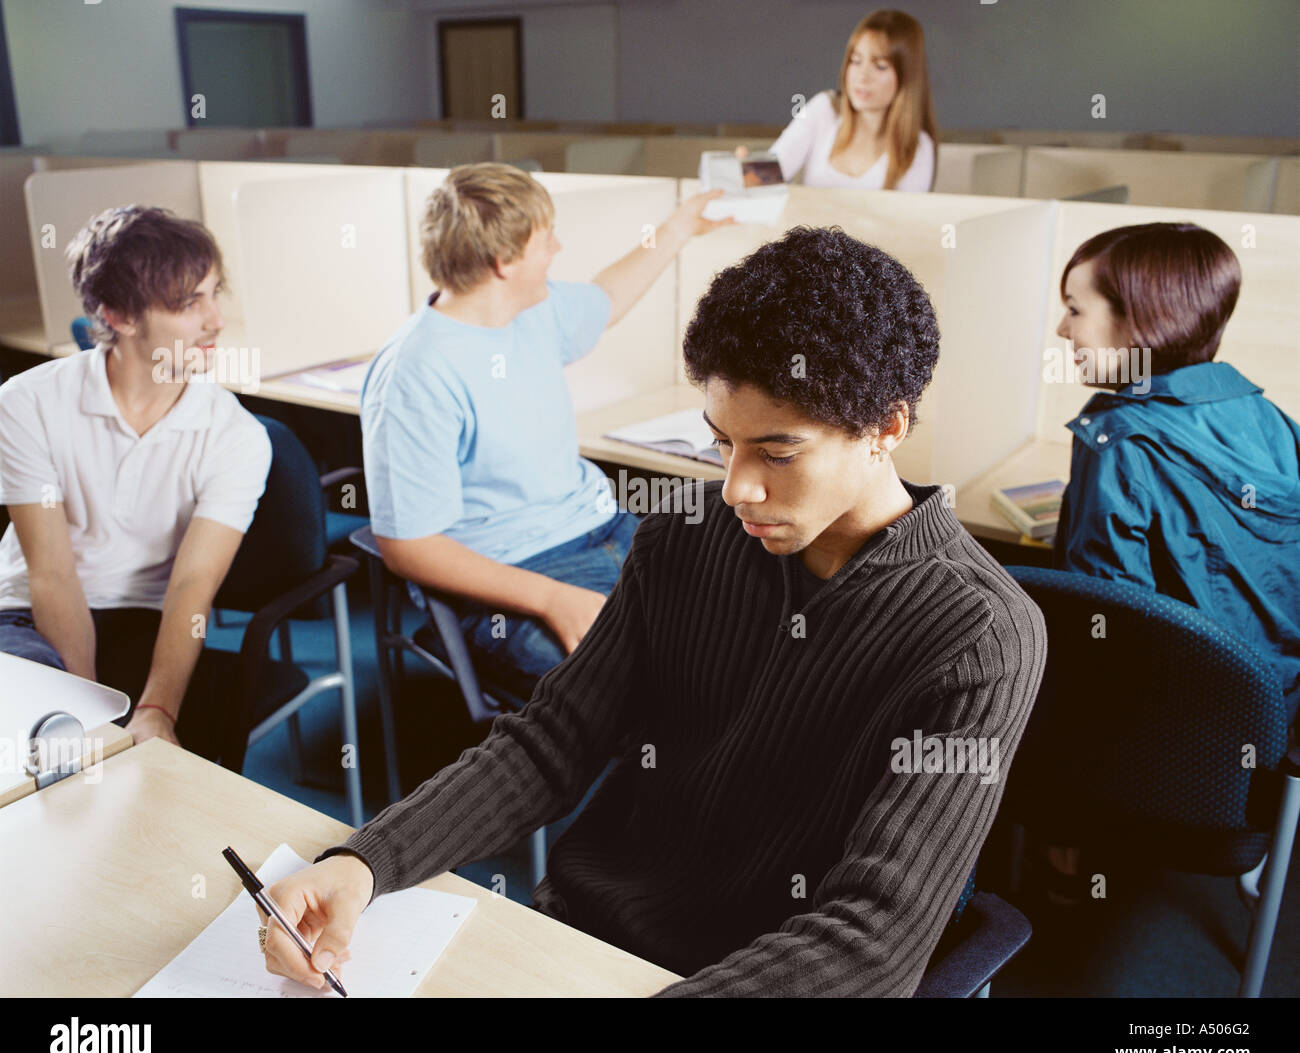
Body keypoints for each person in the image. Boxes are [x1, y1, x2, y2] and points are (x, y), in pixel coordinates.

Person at [257, 226, 1047, 997]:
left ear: (888, 428)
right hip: (586, 939)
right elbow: (548, 744)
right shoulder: (681, 539)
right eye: (721, 444)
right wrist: (365, 863)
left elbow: (873, 940)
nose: (736, 486)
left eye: (776, 452)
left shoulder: (980, 637)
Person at [361, 163, 728, 691]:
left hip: (603, 528)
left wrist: (679, 228)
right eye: (545, 237)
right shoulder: (415, 372)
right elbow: (408, 546)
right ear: (504, 261)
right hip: (515, 576)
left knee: (744, 623)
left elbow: (607, 297)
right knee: (651, 686)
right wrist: (553, 599)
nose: (557, 247)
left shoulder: (532, 310)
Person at [0, 205, 271, 753]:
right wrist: (88, 712)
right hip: (30, 609)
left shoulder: (236, 435)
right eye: (188, 302)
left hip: (148, 617)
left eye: (214, 293)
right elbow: (53, 575)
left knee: (181, 762)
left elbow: (192, 585)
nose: (215, 320)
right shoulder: (25, 403)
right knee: (46, 741)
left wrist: (156, 710)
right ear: (118, 315)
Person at [1053, 221, 1300, 731]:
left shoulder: (1118, 439)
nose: (1062, 329)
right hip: (1278, 717)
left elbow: (1104, 628)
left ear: (1139, 321)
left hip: (1176, 728)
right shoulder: (1277, 422)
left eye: (1075, 310)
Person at [738, 10, 937, 192]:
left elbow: (905, 224)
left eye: (880, 66)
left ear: (907, 76)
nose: (862, 76)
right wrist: (744, 172)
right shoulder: (823, 109)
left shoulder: (917, 147)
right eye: (856, 61)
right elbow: (772, 172)